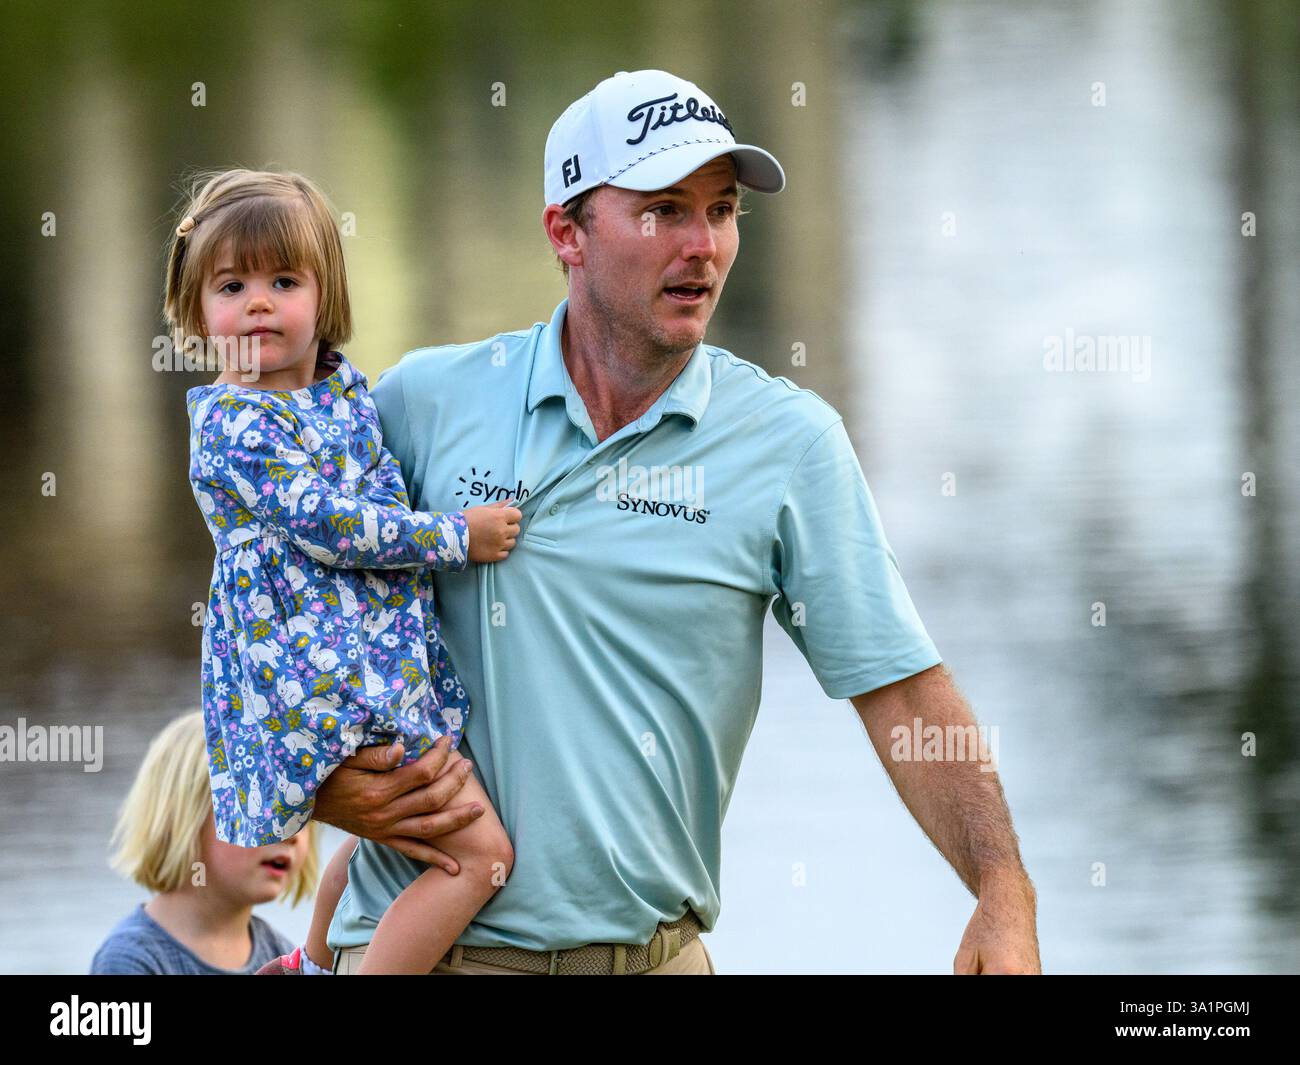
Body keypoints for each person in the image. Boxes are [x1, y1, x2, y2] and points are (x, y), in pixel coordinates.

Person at [314, 69, 1041, 975]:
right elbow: (273, 608)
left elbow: (900, 692)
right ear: (566, 232)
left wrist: (1001, 888)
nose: (704, 245)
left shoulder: (788, 444)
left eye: (724, 209)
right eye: (664, 210)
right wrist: (322, 786)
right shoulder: (425, 402)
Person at [166, 168, 519, 974]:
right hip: (311, 682)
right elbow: (335, 528)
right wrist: (454, 536)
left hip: (370, 669)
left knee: (397, 842)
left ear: (324, 298)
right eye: (232, 285)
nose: (258, 303)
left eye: (283, 280)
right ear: (196, 312)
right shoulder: (234, 424)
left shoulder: (339, 391)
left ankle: (310, 963)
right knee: (479, 854)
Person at [91, 711, 310, 975]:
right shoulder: (130, 962)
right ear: (181, 817)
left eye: (298, 812)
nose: (289, 834)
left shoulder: (280, 955)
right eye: (256, 806)